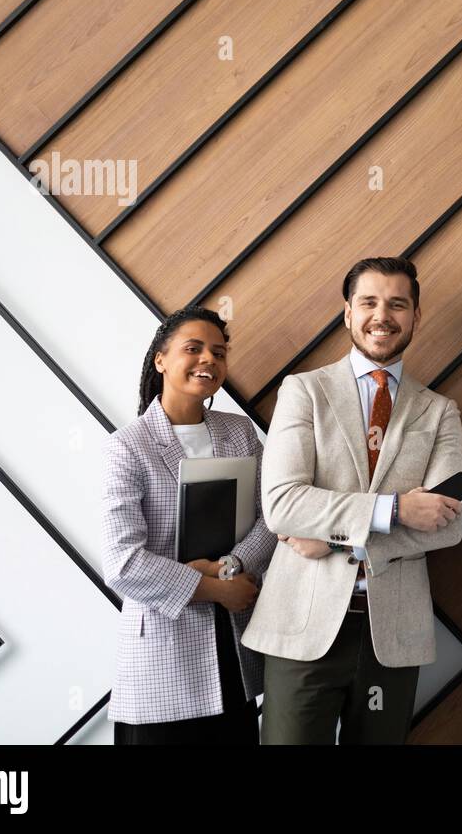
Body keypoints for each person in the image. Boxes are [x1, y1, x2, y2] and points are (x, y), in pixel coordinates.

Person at [241, 256, 462, 744]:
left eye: (397, 304)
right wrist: (396, 509)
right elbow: (282, 502)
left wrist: (337, 540)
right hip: (303, 626)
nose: (381, 315)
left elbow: (448, 523)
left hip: (391, 633)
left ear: (415, 316)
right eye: (368, 302)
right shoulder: (304, 391)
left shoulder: (441, 410)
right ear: (347, 312)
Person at [101, 305, 276, 744]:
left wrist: (230, 566)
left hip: (233, 642)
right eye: (193, 349)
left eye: (218, 352)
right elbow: (123, 563)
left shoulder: (239, 432)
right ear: (160, 359)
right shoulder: (127, 446)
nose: (209, 361)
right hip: (162, 648)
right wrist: (216, 589)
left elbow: (271, 519)